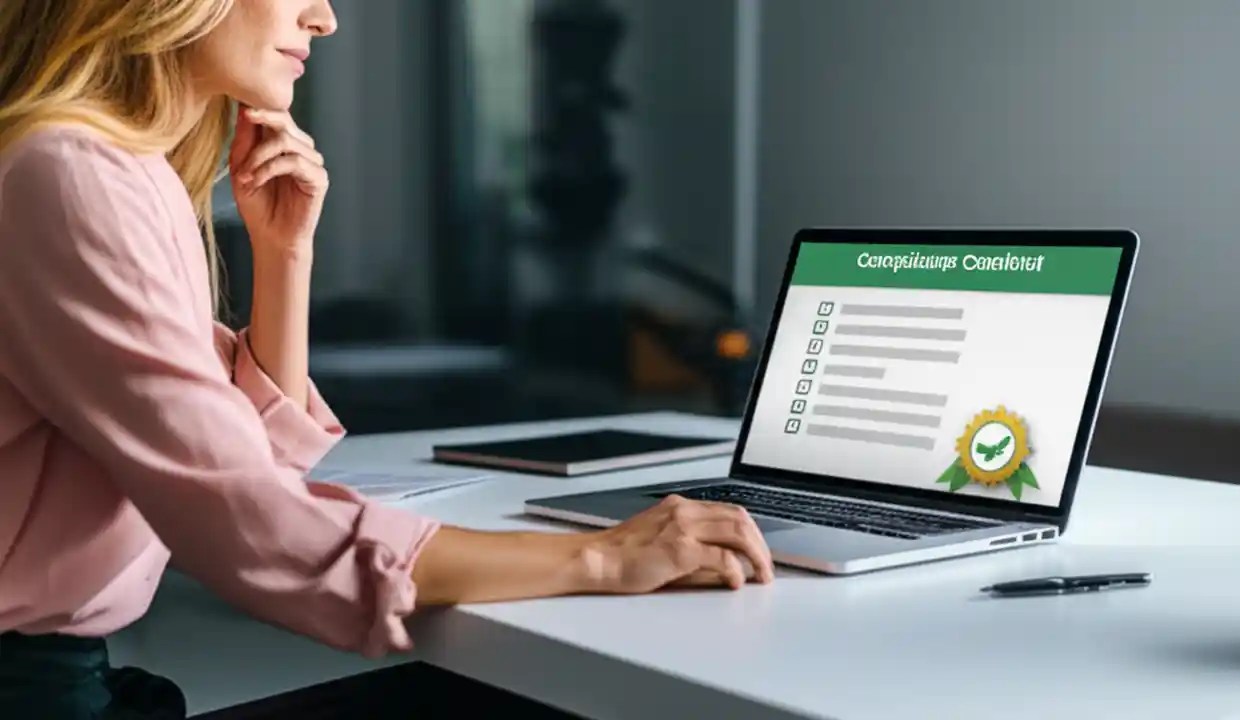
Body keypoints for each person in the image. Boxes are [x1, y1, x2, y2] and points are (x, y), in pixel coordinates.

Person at [0, 0, 774, 716]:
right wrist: (600, 559)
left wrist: (285, 256)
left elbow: (246, 464)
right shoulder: (69, 175)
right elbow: (245, 514)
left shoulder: (122, 175)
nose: (325, 17)